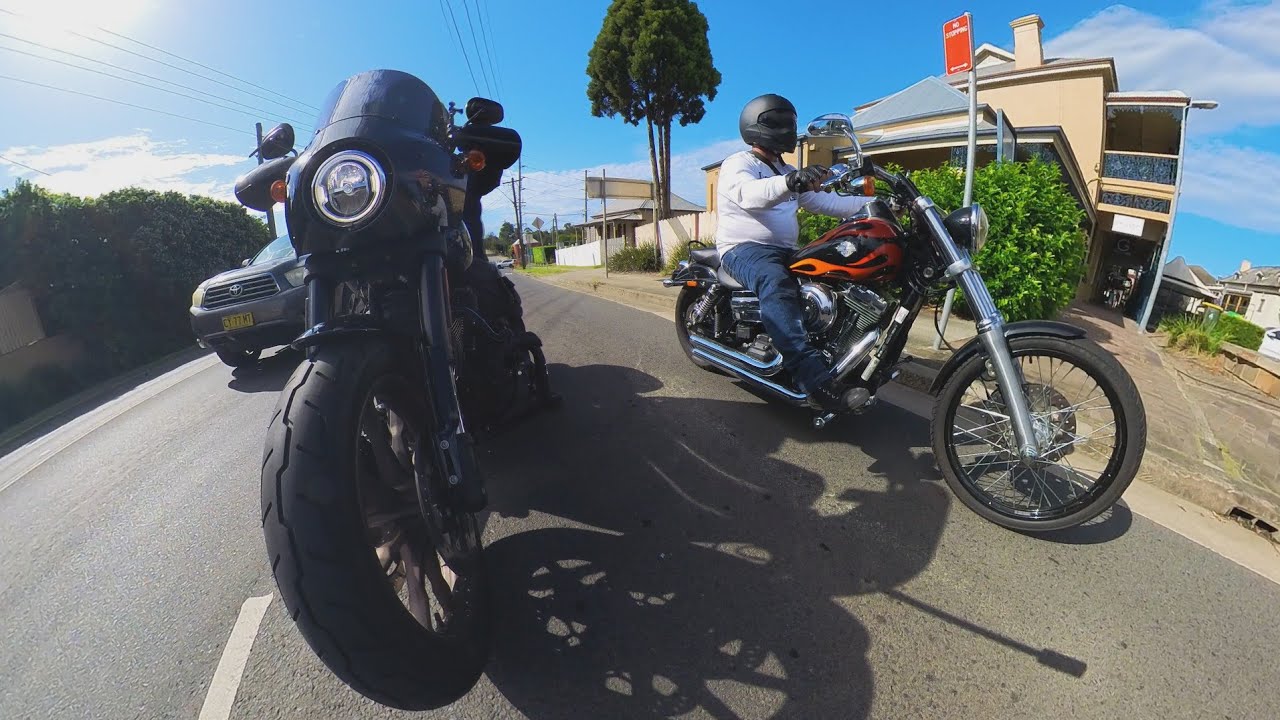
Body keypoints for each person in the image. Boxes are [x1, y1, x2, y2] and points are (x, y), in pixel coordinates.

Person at [716, 94, 875, 411]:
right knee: (775, 282)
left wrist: (874, 205)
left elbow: (826, 203)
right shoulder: (739, 164)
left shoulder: (785, 169)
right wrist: (790, 181)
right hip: (743, 249)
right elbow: (750, 195)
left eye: (790, 123)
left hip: (784, 249)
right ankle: (813, 380)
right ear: (757, 125)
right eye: (779, 123)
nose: (788, 130)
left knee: (831, 272)